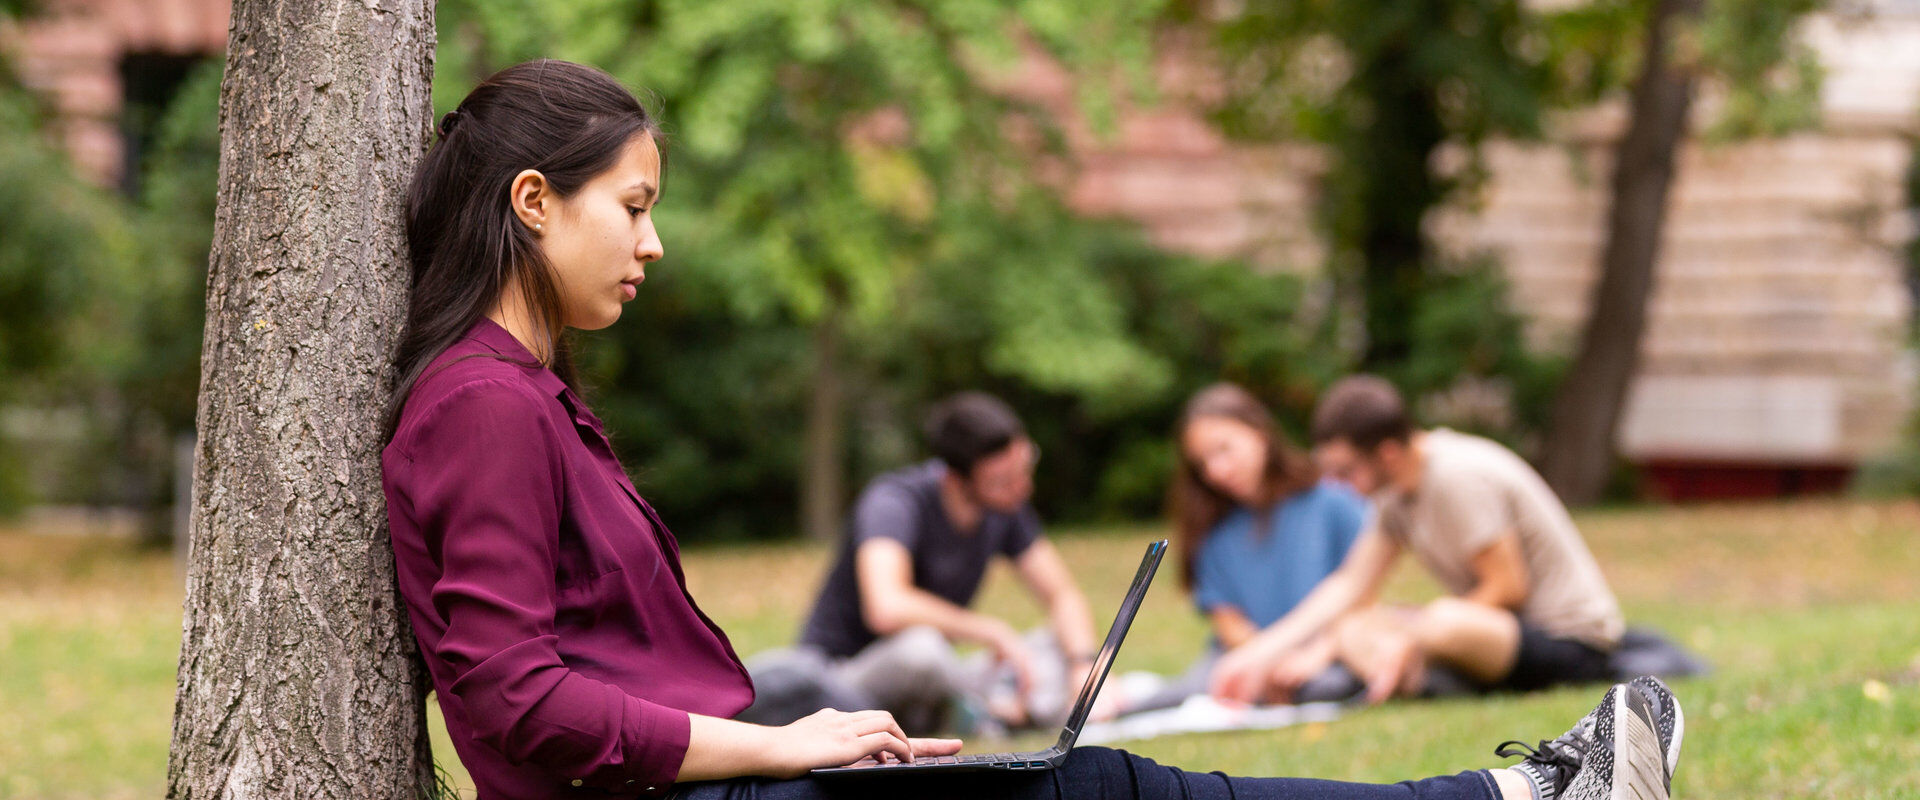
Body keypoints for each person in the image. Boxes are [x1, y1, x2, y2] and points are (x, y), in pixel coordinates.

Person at [379, 59, 1685, 800]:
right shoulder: (484, 406)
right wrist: (787, 741)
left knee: (1093, 789)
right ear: (535, 202)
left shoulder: (523, 396)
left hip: (739, 787)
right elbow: (515, 692)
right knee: (1101, 796)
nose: (655, 242)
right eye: (635, 205)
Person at [1212, 376, 1626, 707]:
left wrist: (1415, 635)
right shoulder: (1394, 497)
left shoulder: (1454, 476)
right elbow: (1349, 585)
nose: (1338, 486)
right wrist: (1259, 653)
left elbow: (1508, 587)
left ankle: (1416, 674)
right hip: (1496, 637)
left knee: (1442, 619)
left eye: (1346, 470)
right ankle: (1419, 676)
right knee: (1355, 623)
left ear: (1388, 453)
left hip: (1569, 641)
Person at [738, 392, 1099, 734]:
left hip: (936, 675)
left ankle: (1011, 706)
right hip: (846, 674)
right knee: (922, 652)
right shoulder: (894, 501)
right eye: (1002, 480)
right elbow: (887, 606)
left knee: (1059, 643)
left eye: (1025, 468)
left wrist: (1083, 669)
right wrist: (992, 631)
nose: (1022, 488)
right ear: (956, 479)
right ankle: (992, 709)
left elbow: (1062, 595)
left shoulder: (1006, 508)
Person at [1137, 383, 1368, 709]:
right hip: (1242, 656)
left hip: (1328, 654)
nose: (1216, 471)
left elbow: (1362, 591)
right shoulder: (1212, 531)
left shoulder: (1333, 502)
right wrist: (1264, 661)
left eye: (1224, 449)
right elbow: (1227, 620)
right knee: (1186, 694)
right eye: (1202, 463)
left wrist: (1318, 654)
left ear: (1259, 433)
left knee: (1332, 685)